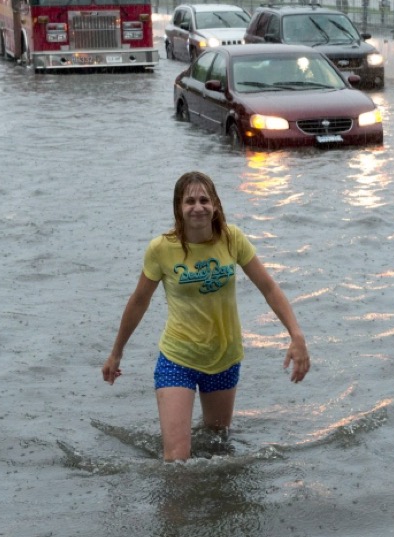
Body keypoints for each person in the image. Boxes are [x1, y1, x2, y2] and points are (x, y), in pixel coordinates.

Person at [102, 170, 310, 461]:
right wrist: (116, 354)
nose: (197, 207)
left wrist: (296, 335)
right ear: (178, 208)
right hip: (178, 358)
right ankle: (175, 507)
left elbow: (269, 288)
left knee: (216, 446)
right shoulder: (161, 249)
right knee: (176, 460)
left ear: (215, 205)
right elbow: (139, 302)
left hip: (224, 357)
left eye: (204, 200)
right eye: (189, 201)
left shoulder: (231, 239)